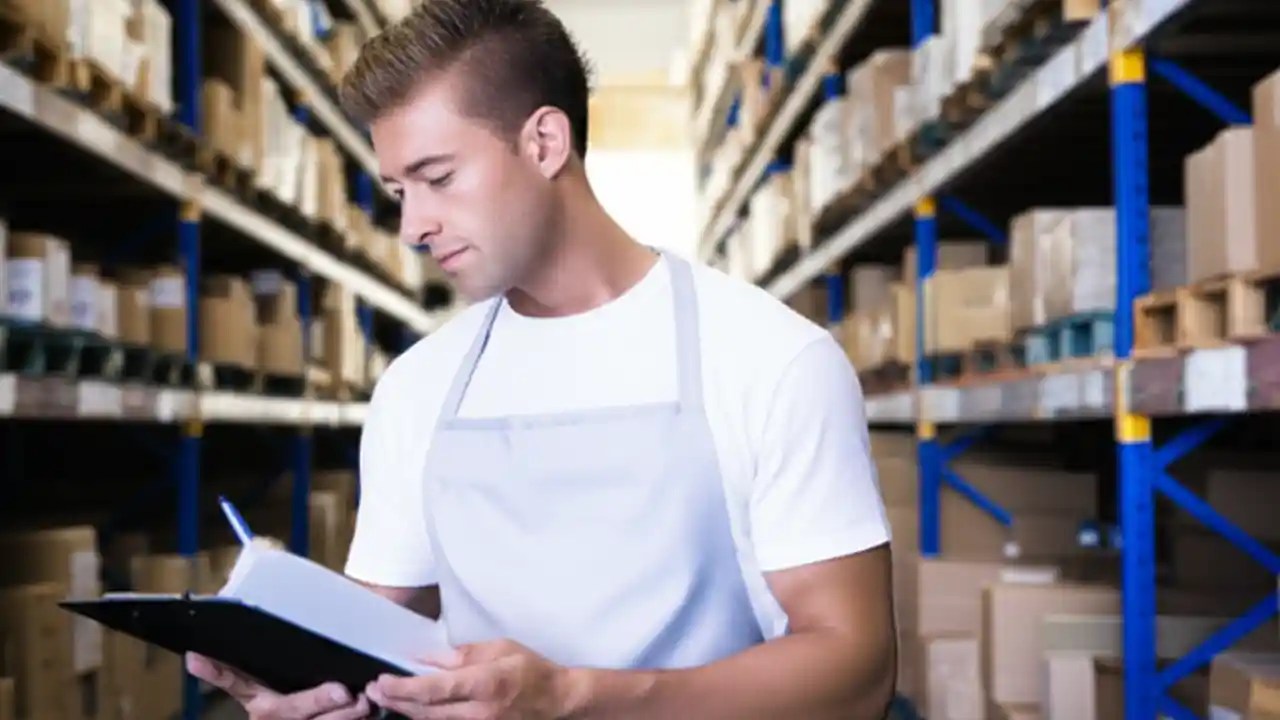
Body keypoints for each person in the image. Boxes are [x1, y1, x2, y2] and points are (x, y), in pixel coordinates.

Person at [187, 0, 897, 717]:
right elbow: (374, 651)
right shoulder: (419, 386)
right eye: (399, 192)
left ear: (546, 142)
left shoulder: (769, 358)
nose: (411, 226)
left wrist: (573, 696)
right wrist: (313, 691)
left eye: (439, 177)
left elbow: (857, 670)